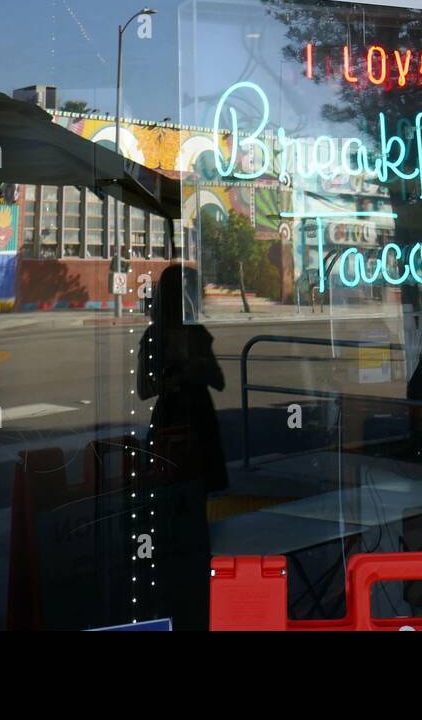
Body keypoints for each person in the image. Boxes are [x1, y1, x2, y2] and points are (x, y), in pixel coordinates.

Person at [137, 264, 227, 629]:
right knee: (178, 509)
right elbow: (145, 386)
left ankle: (189, 589)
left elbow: (217, 378)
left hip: (190, 422)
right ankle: (185, 590)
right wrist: (177, 373)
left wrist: (188, 368)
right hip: (180, 424)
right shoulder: (157, 336)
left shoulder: (192, 333)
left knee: (189, 510)